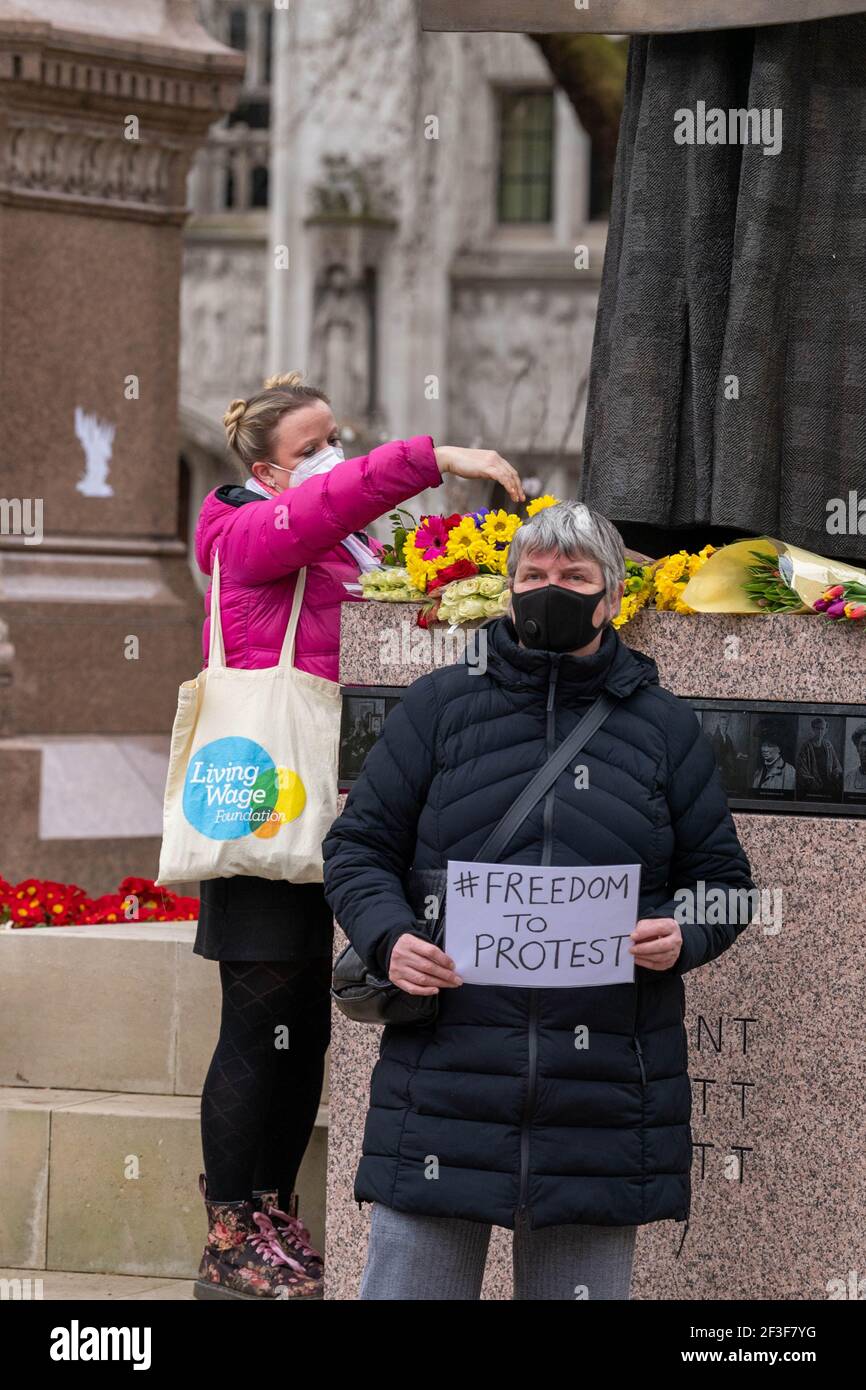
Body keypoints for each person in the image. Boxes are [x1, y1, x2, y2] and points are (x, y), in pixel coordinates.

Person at [322, 501, 756, 1301]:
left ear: (612, 596)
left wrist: (684, 934)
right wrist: (388, 939)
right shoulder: (442, 706)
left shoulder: (663, 729)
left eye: (573, 576)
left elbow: (726, 884)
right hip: (445, 1083)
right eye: (533, 576)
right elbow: (358, 848)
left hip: (597, 1102)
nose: (548, 589)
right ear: (509, 587)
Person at [192, 370, 524, 1300]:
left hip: (329, 818)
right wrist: (434, 458)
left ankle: (271, 1212)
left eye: (337, 437)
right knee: (256, 1026)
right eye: (310, 448)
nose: (330, 456)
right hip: (262, 807)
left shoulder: (341, 537)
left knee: (304, 1027)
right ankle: (227, 1234)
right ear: (265, 469)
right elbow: (317, 511)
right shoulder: (238, 524)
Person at [796, 717, 843, 800]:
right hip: (813, 786)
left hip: (829, 783)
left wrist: (836, 772)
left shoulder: (828, 745)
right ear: (813, 729)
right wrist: (812, 781)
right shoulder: (806, 747)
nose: (820, 732)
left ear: (826, 730)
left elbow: (836, 764)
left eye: (822, 729)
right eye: (817, 728)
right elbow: (801, 769)